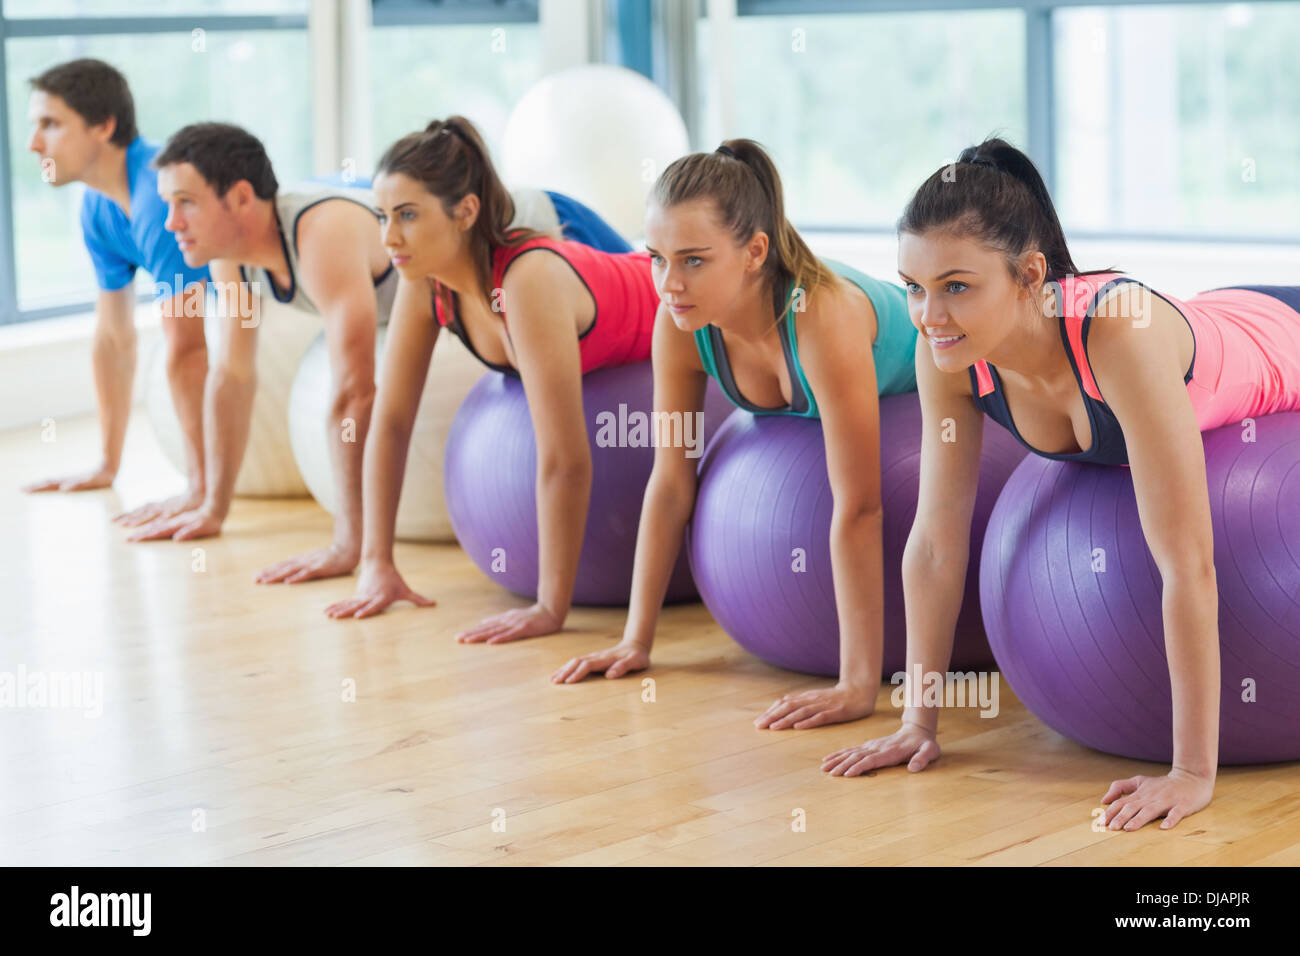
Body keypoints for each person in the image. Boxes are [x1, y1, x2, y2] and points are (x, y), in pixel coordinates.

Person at [829, 137, 1300, 833]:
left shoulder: (1116, 335)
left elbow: (1188, 564)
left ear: (1030, 274)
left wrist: (1193, 772)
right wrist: (915, 722)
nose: (929, 314)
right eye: (913, 286)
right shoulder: (948, 356)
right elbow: (934, 541)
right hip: (1215, 309)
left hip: (1279, 333)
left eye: (957, 286)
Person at [552, 139, 921, 735]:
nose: (669, 282)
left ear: (754, 252)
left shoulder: (824, 318)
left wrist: (858, 685)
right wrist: (635, 641)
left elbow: (859, 506)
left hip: (960, 373)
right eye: (656, 258)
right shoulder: (677, 327)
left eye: (693, 260)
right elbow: (671, 481)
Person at [323, 117, 659, 644]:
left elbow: (565, 458)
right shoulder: (425, 282)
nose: (388, 238)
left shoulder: (527, 281)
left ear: (466, 211)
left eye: (407, 215)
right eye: (382, 216)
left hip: (692, 316)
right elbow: (390, 421)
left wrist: (550, 607)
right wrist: (376, 562)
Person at [22, 59, 209, 510]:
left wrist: (201, 493)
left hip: (271, 307)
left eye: (50, 124)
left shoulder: (159, 196)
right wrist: (108, 466)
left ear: (103, 126)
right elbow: (113, 339)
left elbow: (189, 347)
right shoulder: (97, 209)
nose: (33, 144)